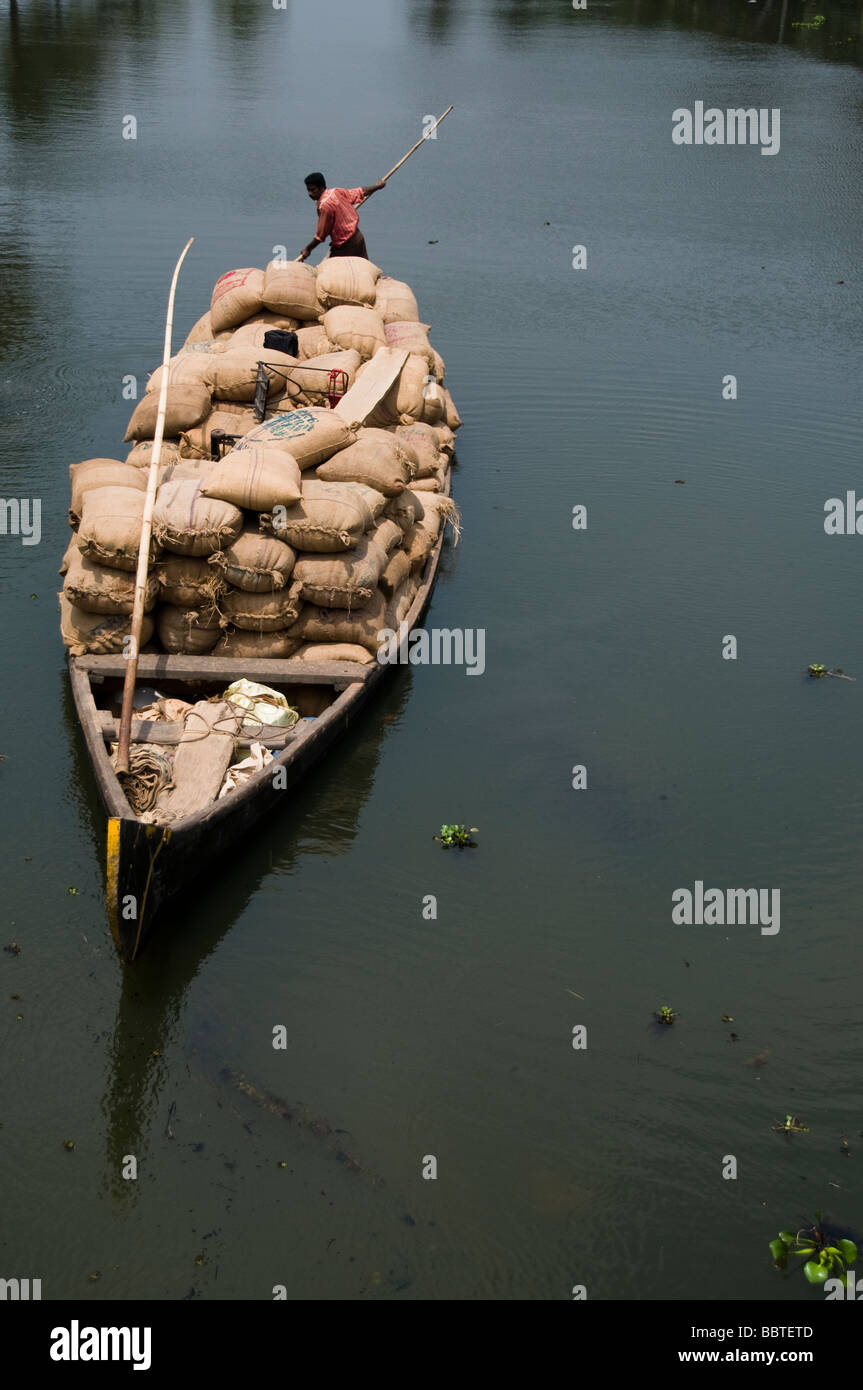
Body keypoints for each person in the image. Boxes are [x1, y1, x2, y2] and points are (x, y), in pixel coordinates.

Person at [298, 173, 385, 262]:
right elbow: (359, 192)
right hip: (358, 237)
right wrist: (377, 186)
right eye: (308, 190)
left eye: (313, 190)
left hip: (345, 245)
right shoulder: (335, 192)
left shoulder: (324, 206)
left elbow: (321, 235)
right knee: (364, 269)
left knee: (329, 270)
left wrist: (308, 249)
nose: (310, 193)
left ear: (322, 188)